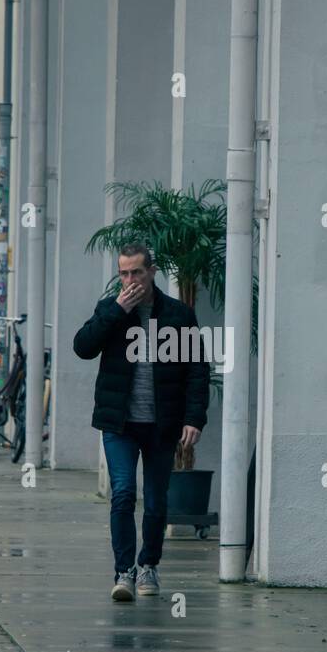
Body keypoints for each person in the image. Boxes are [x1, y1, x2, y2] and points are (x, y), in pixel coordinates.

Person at [72, 244, 209, 601]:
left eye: (136, 272)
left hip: (162, 424)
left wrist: (194, 418)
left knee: (156, 500)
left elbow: (197, 370)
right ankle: (123, 572)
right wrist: (117, 311)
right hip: (119, 423)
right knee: (122, 494)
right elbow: (83, 346)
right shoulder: (110, 310)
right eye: (124, 274)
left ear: (152, 271)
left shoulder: (179, 315)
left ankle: (148, 565)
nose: (130, 280)